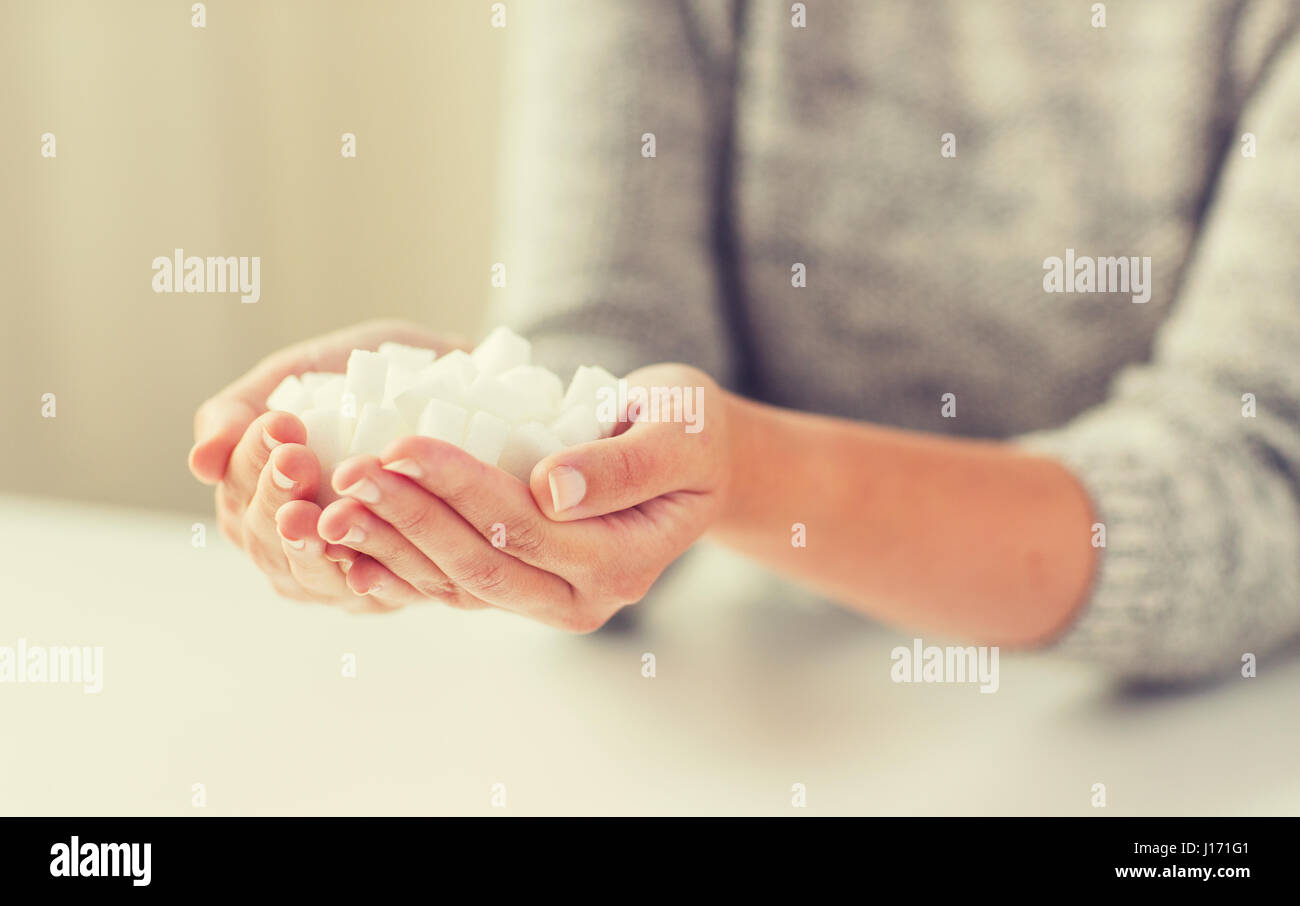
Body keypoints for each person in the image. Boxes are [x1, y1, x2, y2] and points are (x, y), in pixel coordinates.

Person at [189, 1, 1300, 683]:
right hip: (742, 685)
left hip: (1184, 744)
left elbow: (1251, 491)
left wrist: (746, 476)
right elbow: (606, 326)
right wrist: (512, 449)